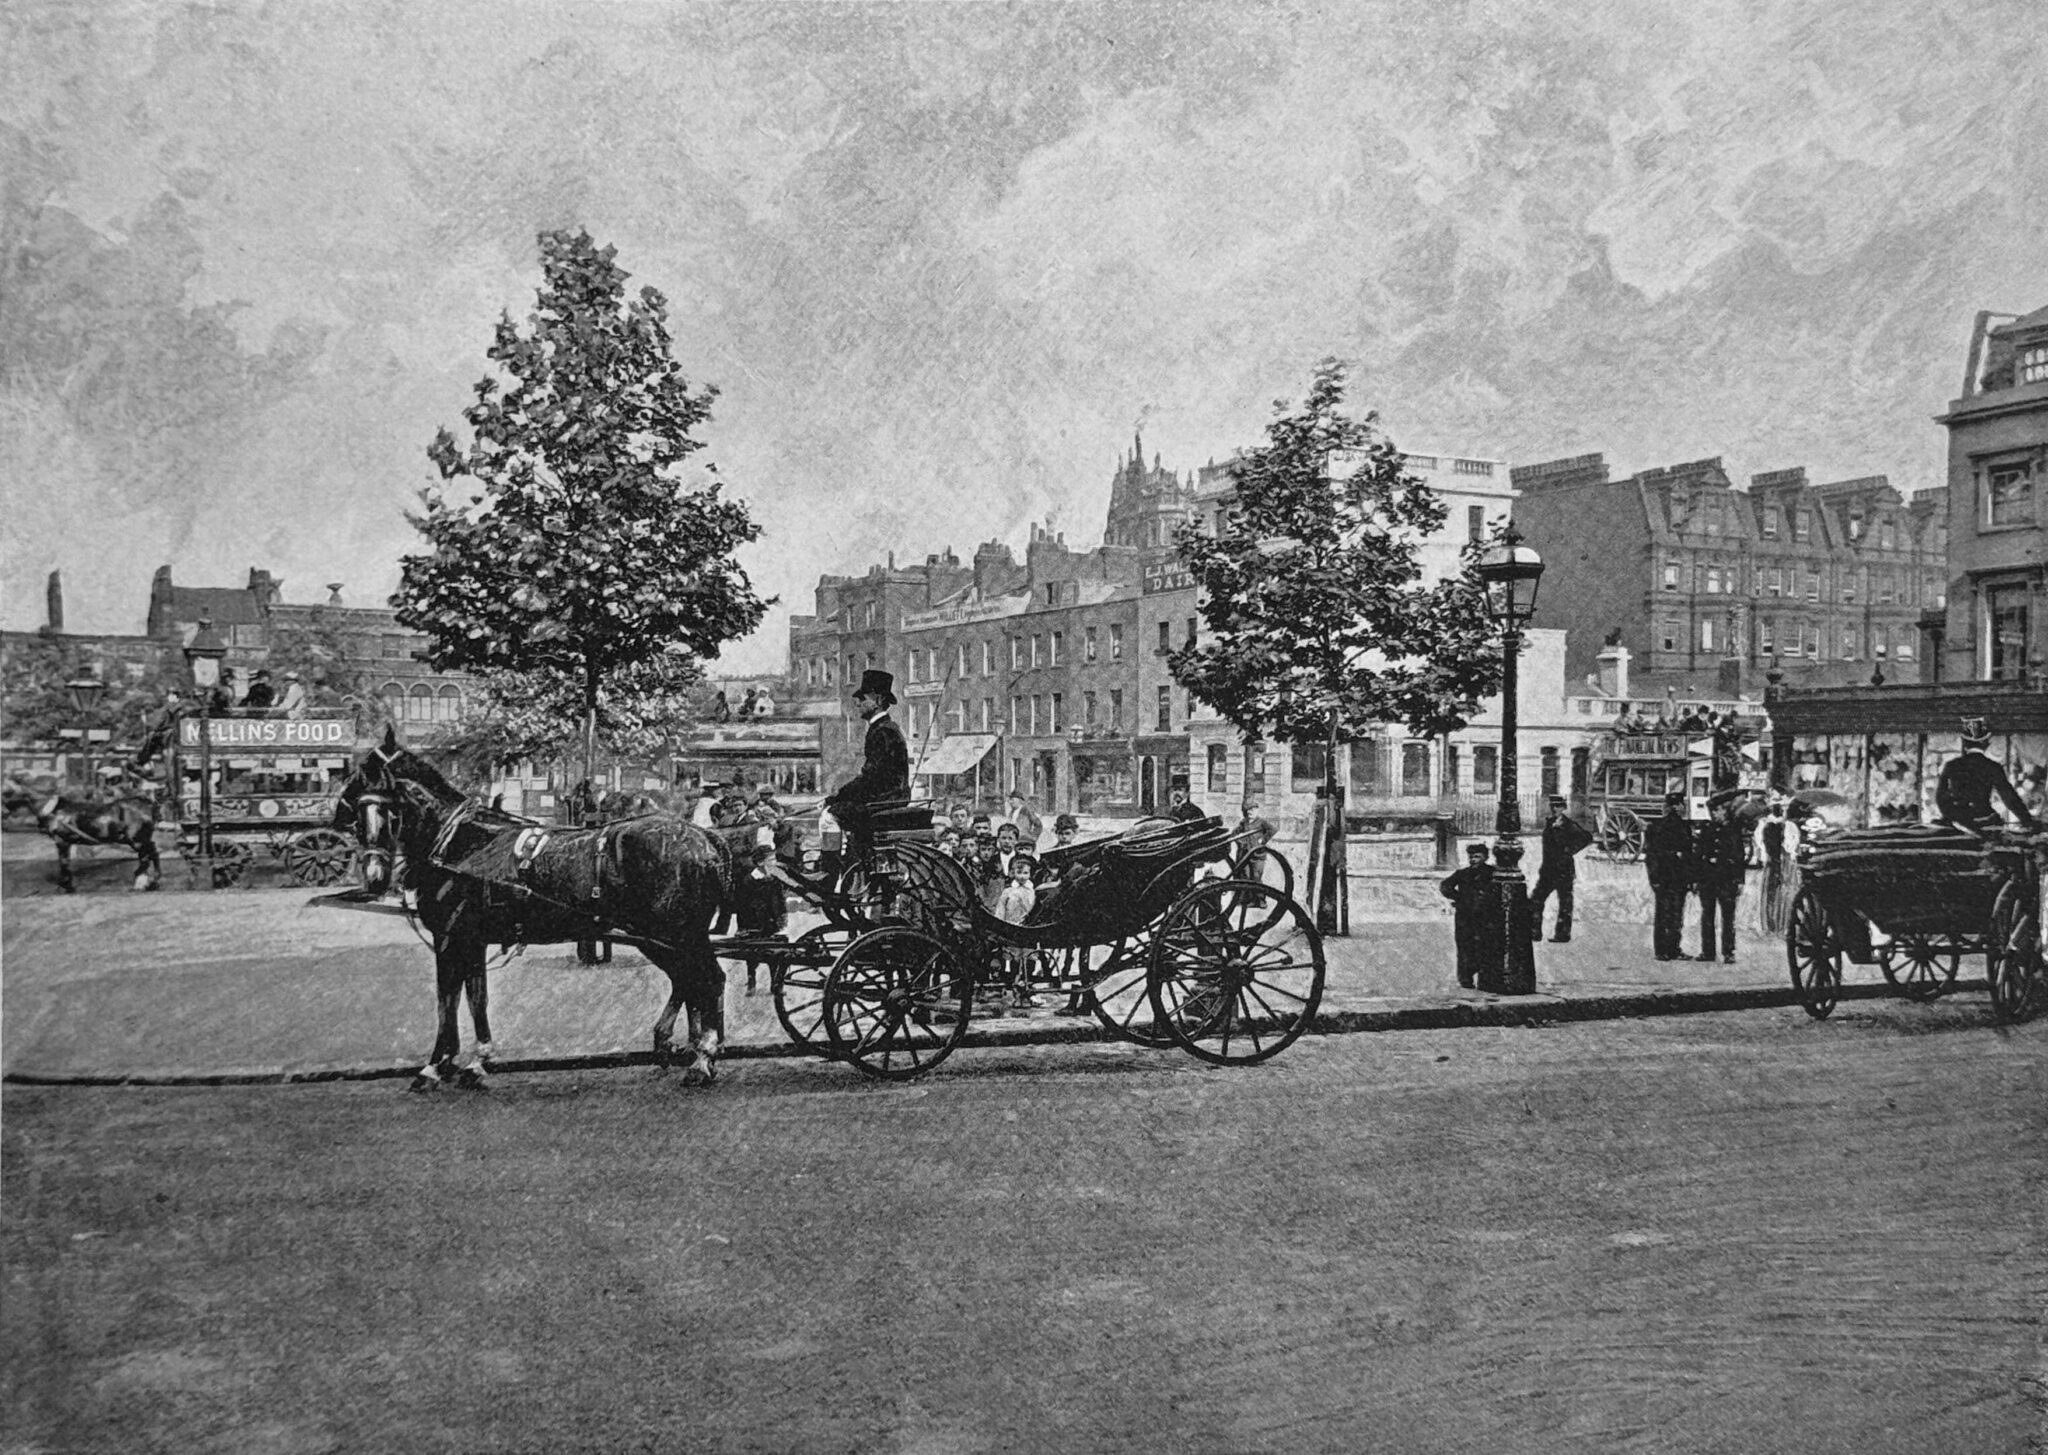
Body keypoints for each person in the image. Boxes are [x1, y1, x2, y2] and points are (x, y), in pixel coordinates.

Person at [823, 669, 909, 860]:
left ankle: (831, 872)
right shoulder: (885, 728)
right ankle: (854, 858)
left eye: (863, 698)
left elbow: (872, 777)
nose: (858, 703)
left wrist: (840, 796)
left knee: (829, 817)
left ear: (878, 700)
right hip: (891, 796)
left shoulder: (882, 731)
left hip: (886, 799)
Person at [1935, 717, 2037, 833]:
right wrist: (2027, 821)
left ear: (1964, 743)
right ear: (1986, 744)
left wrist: (1953, 816)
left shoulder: (1951, 765)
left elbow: (1940, 797)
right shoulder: (1993, 767)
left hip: (1956, 821)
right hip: (1984, 820)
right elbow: (2009, 797)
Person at [1692, 790, 1748, 963]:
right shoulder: (1708, 829)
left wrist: (1739, 880)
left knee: (1728, 918)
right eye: (1712, 811)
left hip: (1726, 878)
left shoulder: (1733, 830)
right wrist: (1696, 878)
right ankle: (1708, 951)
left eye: (1717, 811)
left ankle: (1728, 952)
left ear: (1724, 811)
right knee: (1707, 916)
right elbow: (1699, 854)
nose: (1714, 814)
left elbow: (1739, 857)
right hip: (1708, 878)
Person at [1528, 796, 1592, 943]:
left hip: (1564, 870)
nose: (1554, 809)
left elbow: (1587, 837)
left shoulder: (1569, 825)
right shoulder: (1549, 824)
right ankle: (1534, 932)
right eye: (1552, 806)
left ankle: (1562, 935)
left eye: (1557, 806)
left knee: (1565, 903)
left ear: (1563, 808)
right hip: (1548, 870)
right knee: (1536, 900)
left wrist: (1569, 850)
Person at [1644, 792, 1693, 961]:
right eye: (1680, 805)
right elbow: (1687, 856)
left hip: (1666, 878)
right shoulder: (1679, 827)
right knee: (1674, 915)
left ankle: (1664, 950)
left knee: (1665, 915)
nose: (1682, 808)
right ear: (1676, 807)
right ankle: (1671, 949)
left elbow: (1651, 857)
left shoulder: (1658, 827)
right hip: (1674, 878)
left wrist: (1654, 879)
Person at [1438, 842, 1494, 989]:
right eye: (1471, 857)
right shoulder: (1463, 874)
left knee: (1485, 947)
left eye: (1477, 856)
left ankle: (1485, 978)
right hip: (1465, 917)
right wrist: (1460, 898)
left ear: (1485, 857)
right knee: (1465, 948)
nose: (1473, 860)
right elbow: (1445, 886)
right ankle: (1466, 979)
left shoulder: (1492, 873)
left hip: (1485, 917)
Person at [1753, 794, 1800, 936]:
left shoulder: (1769, 825)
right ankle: (1776, 924)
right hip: (1780, 861)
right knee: (1780, 891)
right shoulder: (1785, 826)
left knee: (1777, 891)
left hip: (1775, 861)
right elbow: (1790, 846)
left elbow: (1760, 844)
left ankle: (1776, 924)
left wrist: (1764, 856)